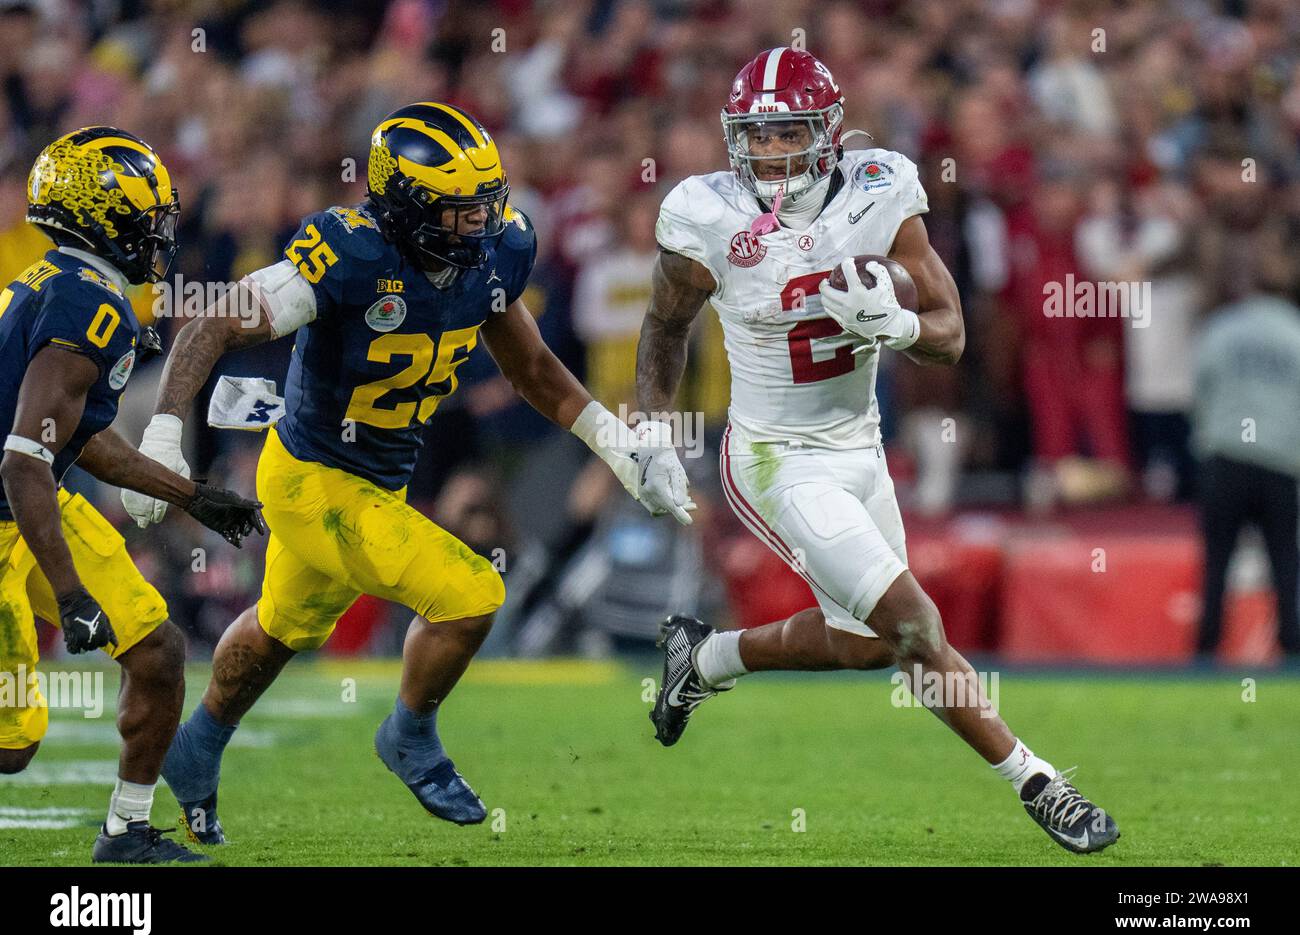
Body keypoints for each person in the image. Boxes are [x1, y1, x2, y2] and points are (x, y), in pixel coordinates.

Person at [123, 103, 651, 843]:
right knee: (471, 594)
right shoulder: (351, 253)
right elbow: (213, 322)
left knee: (281, 627)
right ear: (404, 205)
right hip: (311, 477)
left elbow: (530, 364)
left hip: (380, 478)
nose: (480, 226)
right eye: (458, 212)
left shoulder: (496, 253)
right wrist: (167, 429)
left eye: (485, 207)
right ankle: (408, 734)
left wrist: (615, 444)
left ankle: (196, 746)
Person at [635, 49, 1119, 854]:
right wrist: (653, 428)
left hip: (859, 445)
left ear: (828, 133)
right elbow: (664, 323)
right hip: (772, 457)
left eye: (789, 132)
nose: (770, 153)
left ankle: (705, 658)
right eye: (755, 136)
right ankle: (1041, 782)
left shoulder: (880, 188)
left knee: (869, 646)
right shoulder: (706, 215)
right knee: (914, 626)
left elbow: (951, 335)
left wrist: (896, 329)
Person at [0, 127, 264, 863]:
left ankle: (127, 833)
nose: (160, 233)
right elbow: (24, 460)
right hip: (14, 506)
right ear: (98, 216)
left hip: (32, 503)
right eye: (146, 217)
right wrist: (70, 593)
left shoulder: (70, 286)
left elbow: (75, 435)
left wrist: (193, 494)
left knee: (155, 648)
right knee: (10, 747)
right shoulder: (88, 303)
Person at [1192, 266, 1300, 662]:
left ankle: (1206, 649)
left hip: (1226, 458)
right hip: (1279, 463)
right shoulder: (1294, 333)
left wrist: (1206, 439)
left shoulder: (1223, 328)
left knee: (1217, 560)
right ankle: (1292, 646)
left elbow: (1200, 386)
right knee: (1285, 560)